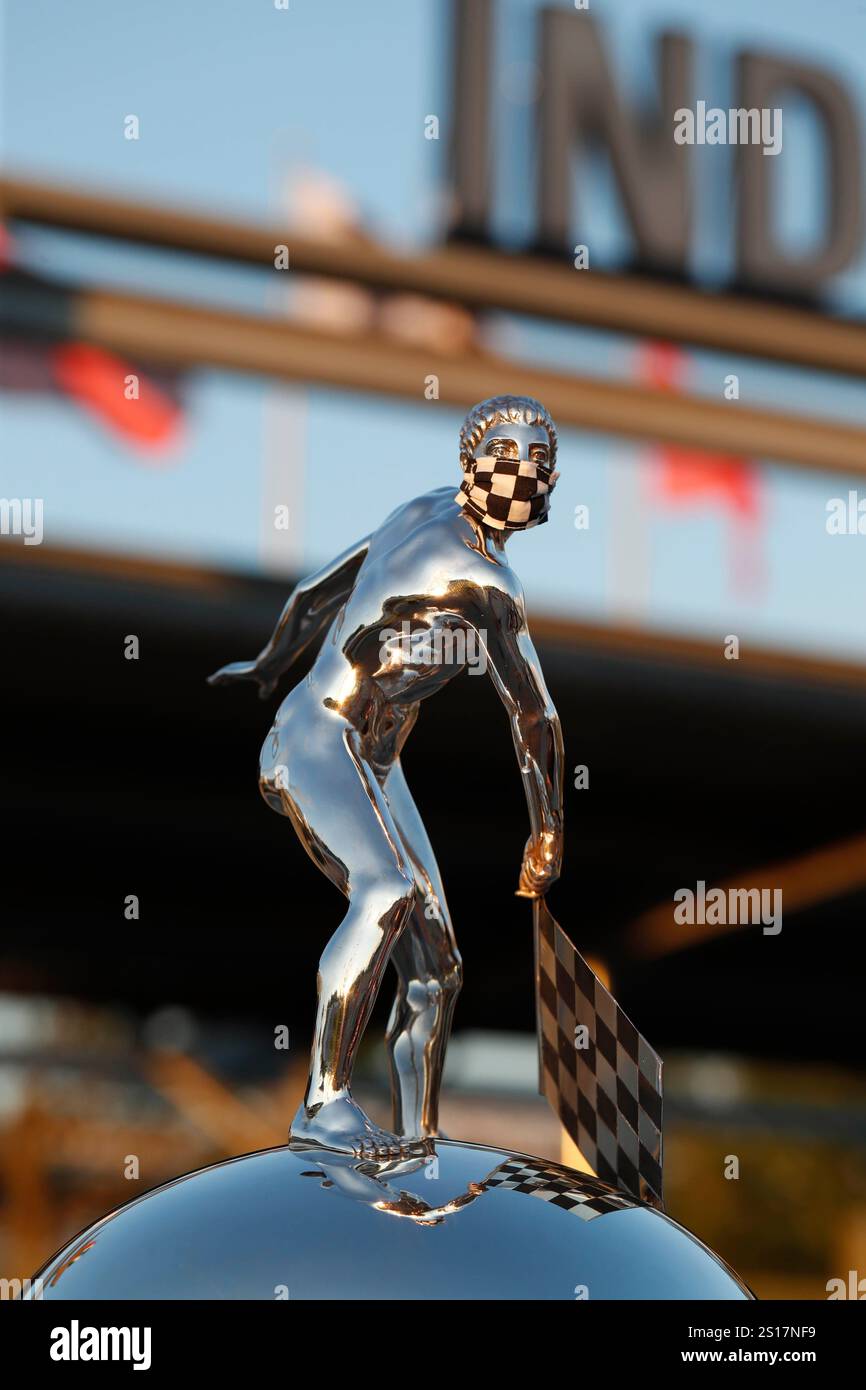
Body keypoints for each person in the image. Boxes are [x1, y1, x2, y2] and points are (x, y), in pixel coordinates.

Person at [209, 395, 565, 1159]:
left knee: (439, 969)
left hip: (373, 761)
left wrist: (271, 659)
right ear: (473, 461)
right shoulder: (488, 583)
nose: (525, 472)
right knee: (388, 890)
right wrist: (546, 832)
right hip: (318, 737)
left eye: (539, 460)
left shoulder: (420, 511)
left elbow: (318, 588)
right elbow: (534, 718)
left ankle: (420, 1144)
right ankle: (324, 1102)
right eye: (511, 454)